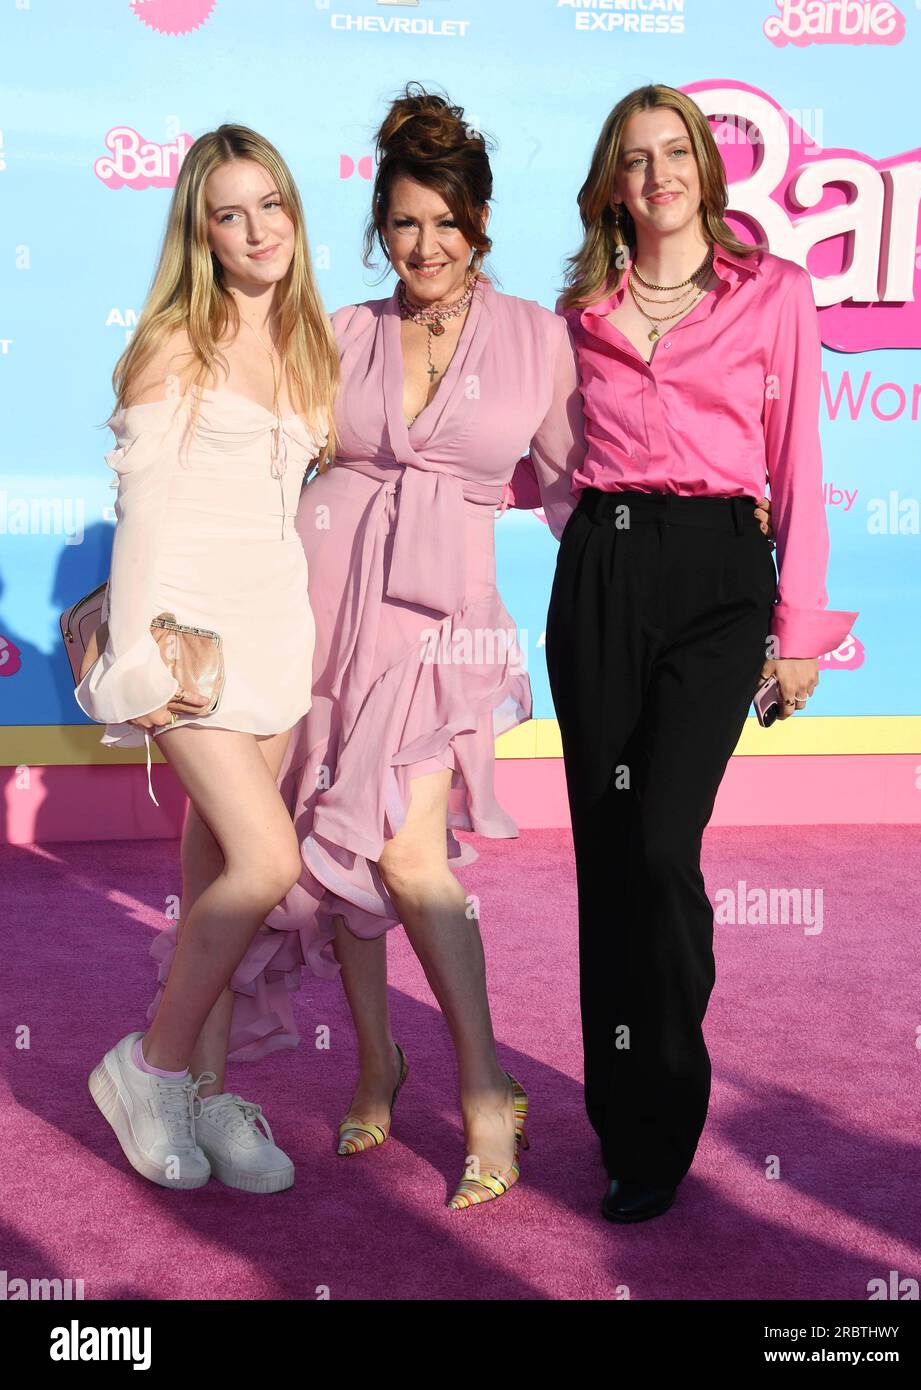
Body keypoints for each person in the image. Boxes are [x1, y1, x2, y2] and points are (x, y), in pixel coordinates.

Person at [146, 86, 773, 1212]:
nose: (424, 245)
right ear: (379, 231)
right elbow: (238, 466)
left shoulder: (540, 338)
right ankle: (377, 1063)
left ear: (478, 225)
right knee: (335, 845)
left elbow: (594, 471)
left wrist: (727, 529)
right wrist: (141, 583)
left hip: (443, 627)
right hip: (319, 602)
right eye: (403, 224)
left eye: (445, 222)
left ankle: (486, 1091)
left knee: (411, 856)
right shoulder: (339, 334)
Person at [542, 84, 859, 1223]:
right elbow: (549, 461)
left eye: (673, 151)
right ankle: (620, 1121)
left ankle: (667, 1096)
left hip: (721, 576)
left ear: (702, 169)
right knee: (607, 855)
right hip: (603, 571)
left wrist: (799, 629)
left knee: (663, 844)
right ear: (611, 184)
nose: (657, 173)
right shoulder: (576, 309)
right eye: (634, 158)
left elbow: (798, 462)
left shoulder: (773, 293)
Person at [74, 124, 336, 1194]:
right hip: (189, 643)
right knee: (269, 867)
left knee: (212, 873)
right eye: (229, 213)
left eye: (269, 203)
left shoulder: (315, 339)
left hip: (278, 630)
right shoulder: (176, 342)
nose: (256, 228)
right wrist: (137, 664)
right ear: (202, 232)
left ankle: (209, 1093)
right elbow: (141, 519)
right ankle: (150, 1065)